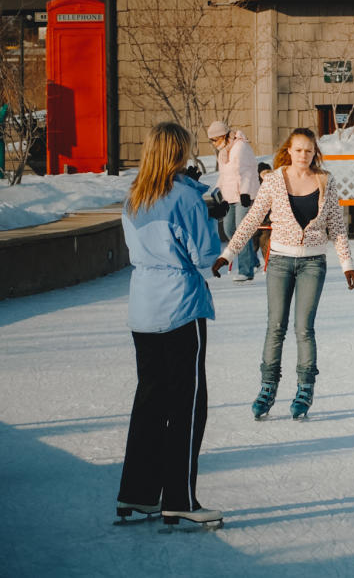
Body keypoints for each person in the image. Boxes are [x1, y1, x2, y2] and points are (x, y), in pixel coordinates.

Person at [117, 122, 224, 528]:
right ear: (179, 153)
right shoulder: (185, 197)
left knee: (149, 399)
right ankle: (180, 499)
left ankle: (137, 492)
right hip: (180, 307)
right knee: (186, 404)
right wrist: (209, 214)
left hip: (143, 308)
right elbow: (204, 256)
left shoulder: (135, 197)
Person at [213, 127, 354, 420]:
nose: (303, 155)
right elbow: (252, 219)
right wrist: (228, 254)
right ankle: (267, 388)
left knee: (304, 329)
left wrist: (347, 264)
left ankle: (305, 389)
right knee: (276, 327)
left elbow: (336, 226)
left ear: (314, 152)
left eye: (309, 150)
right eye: (298, 150)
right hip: (280, 261)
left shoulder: (326, 181)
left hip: (312, 263)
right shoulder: (274, 181)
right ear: (289, 151)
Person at [207, 120, 260, 281]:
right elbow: (224, 176)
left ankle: (246, 270)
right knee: (229, 230)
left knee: (241, 231)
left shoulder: (240, 147)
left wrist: (245, 192)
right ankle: (253, 261)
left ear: (223, 136)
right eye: (211, 141)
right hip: (229, 197)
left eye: (215, 139)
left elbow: (247, 172)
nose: (214, 143)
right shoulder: (223, 152)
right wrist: (218, 192)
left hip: (243, 196)